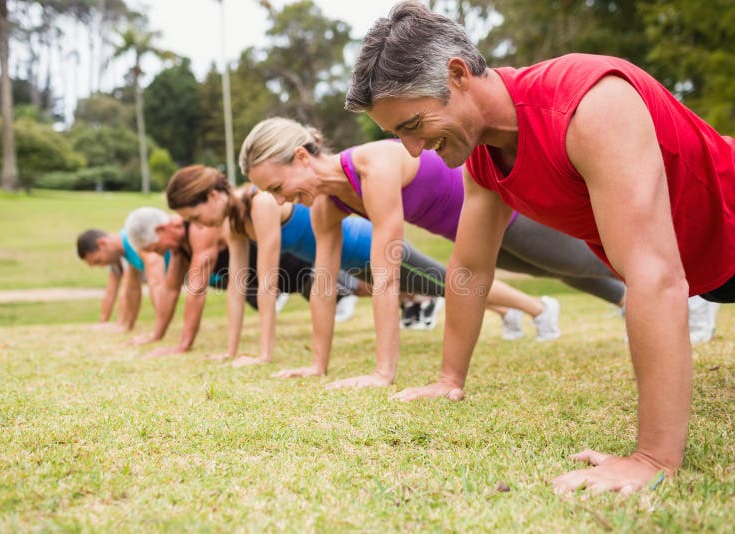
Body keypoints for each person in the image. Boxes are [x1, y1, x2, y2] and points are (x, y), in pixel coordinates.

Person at [345, 0, 735, 494]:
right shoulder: (484, 160)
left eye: (413, 125)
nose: (413, 149)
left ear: (457, 75)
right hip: (713, 270)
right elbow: (470, 268)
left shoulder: (590, 104)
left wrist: (652, 458)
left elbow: (654, 276)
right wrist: (449, 379)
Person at [240, 118, 630, 388]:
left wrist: (383, 373)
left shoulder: (371, 166)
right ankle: (636, 299)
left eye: (276, 187)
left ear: (302, 157)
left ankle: (660, 290)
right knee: (558, 269)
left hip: (501, 209)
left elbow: (386, 274)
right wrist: (316, 365)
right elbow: (324, 288)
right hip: (467, 232)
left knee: (587, 261)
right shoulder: (326, 208)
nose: (279, 201)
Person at [165, 164, 447, 370]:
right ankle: (425, 300)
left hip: (365, 245)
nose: (199, 226)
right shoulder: (234, 223)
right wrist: (230, 352)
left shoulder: (260, 203)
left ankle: (452, 302)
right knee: (428, 289)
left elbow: (268, 284)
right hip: (344, 263)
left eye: (196, 217)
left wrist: (264, 356)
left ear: (213, 196)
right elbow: (237, 291)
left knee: (453, 287)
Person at [123, 206, 355, 359]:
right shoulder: (179, 249)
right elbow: (172, 291)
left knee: (360, 285)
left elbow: (196, 291)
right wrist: (157, 335)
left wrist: (183, 346)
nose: (159, 253)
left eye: (155, 247)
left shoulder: (198, 228)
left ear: (161, 229)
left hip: (299, 263)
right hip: (281, 279)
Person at [76, 228, 169, 331]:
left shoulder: (132, 241)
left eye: (98, 261)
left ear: (102, 244)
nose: (102, 265)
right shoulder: (122, 254)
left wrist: (159, 330)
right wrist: (124, 325)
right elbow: (128, 290)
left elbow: (153, 283)